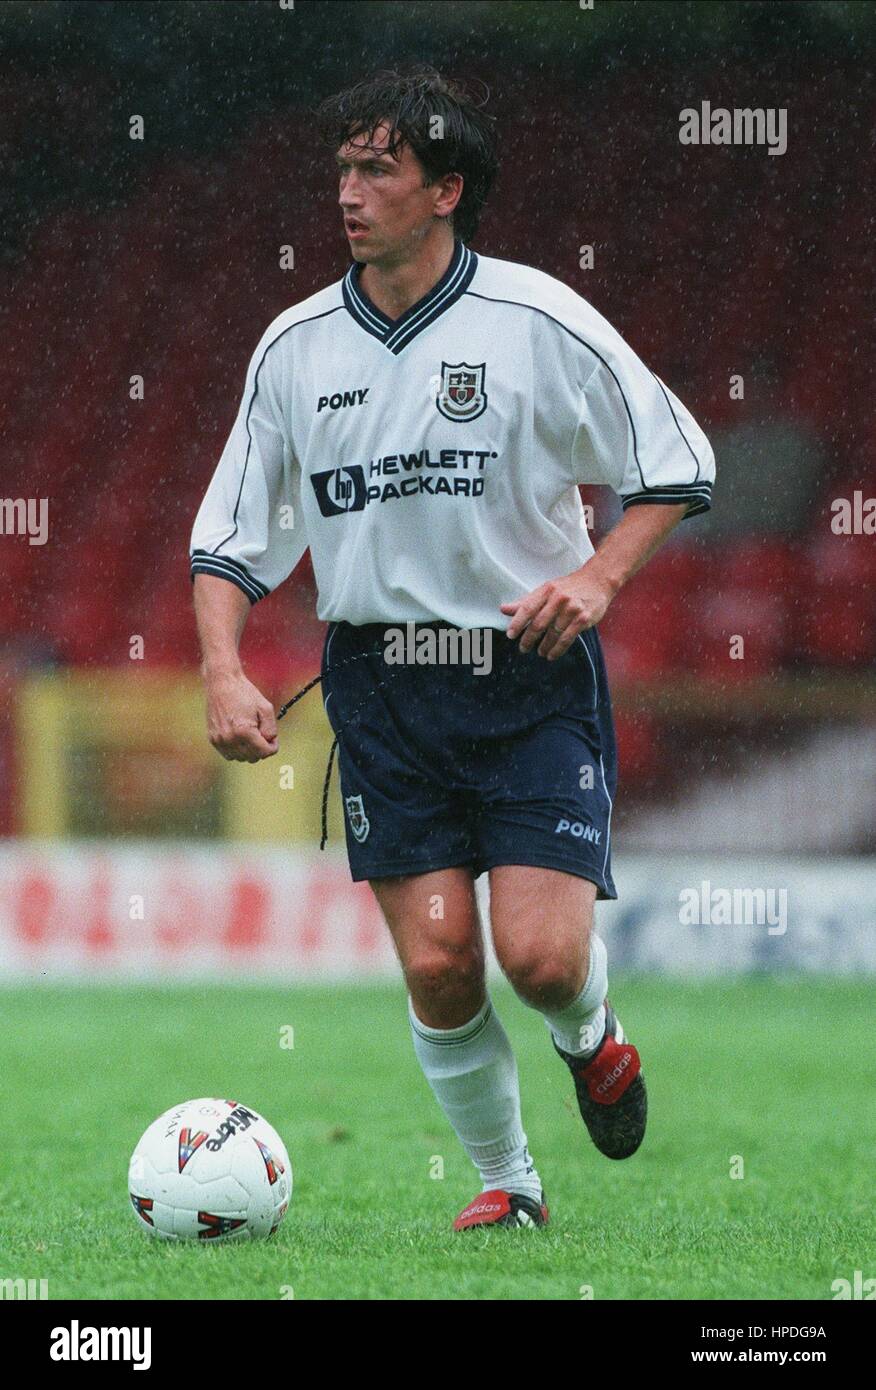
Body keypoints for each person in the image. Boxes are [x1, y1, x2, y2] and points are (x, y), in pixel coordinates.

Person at [189, 67, 715, 1231]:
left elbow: (676, 462)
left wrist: (595, 577)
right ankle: (511, 1185)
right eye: (342, 168)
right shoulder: (294, 348)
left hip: (523, 680)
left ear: (446, 191)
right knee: (437, 964)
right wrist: (225, 668)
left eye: (379, 168)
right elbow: (230, 538)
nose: (350, 191)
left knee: (535, 956)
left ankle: (591, 1035)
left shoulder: (537, 321)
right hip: (381, 688)